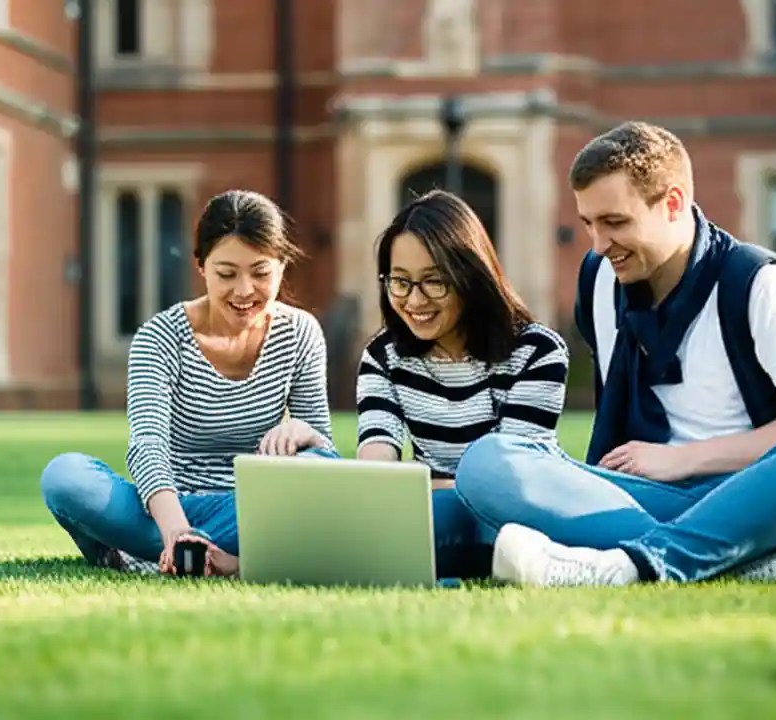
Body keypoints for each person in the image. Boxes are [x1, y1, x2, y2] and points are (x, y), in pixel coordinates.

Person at [453, 121, 776, 587]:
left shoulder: (761, 285)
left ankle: (628, 567)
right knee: (487, 462)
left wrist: (686, 459)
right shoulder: (600, 279)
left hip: (755, 497)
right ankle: (744, 564)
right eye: (589, 224)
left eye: (615, 223)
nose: (600, 245)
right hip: (634, 496)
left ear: (673, 204)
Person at [40, 189, 333, 578]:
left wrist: (305, 432)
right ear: (201, 267)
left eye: (261, 273)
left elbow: (328, 459)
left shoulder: (300, 333)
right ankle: (188, 549)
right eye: (226, 274)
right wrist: (177, 530)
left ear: (281, 266)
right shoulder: (160, 337)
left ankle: (143, 554)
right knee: (66, 478)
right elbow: (148, 446)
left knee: (320, 474)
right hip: (167, 506)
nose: (244, 291)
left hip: (254, 506)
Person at [356, 190, 570, 579]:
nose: (414, 301)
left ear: (469, 275)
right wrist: (378, 489)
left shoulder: (537, 351)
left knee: (466, 503)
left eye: (434, 282)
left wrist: (411, 494)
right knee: (311, 462)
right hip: (422, 510)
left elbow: (507, 478)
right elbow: (377, 458)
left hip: (508, 516)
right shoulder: (383, 356)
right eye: (400, 282)